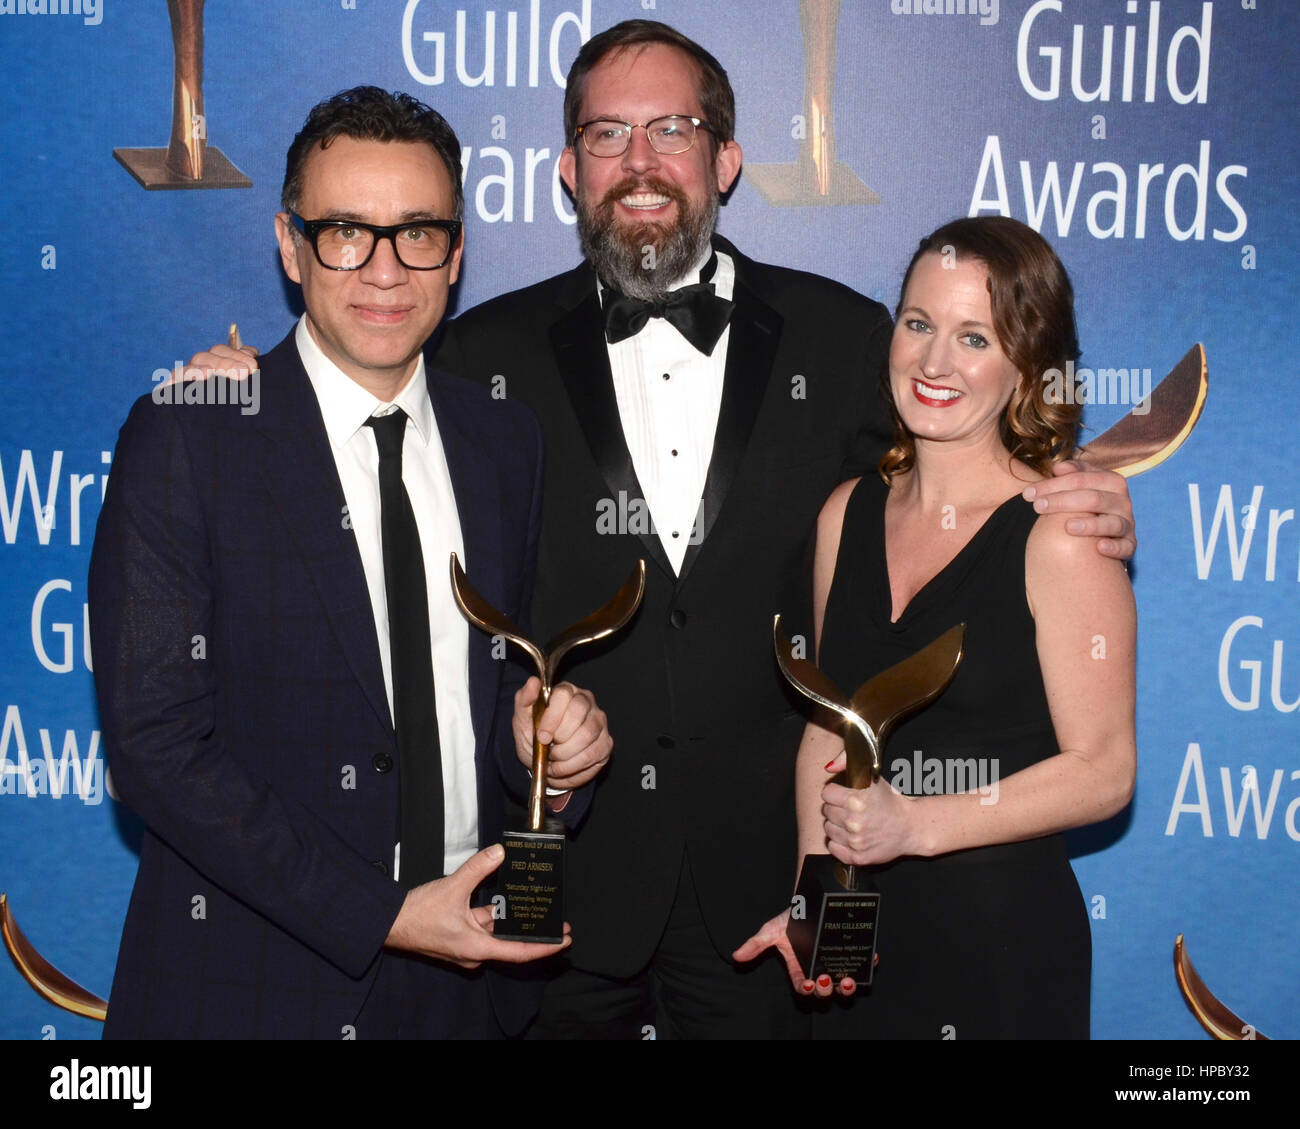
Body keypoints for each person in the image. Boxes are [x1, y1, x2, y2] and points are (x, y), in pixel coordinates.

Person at [185, 21, 1136, 1040]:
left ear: (727, 160)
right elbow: (355, 377)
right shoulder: (478, 353)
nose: (639, 161)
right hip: (558, 895)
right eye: (607, 134)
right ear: (568, 169)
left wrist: (1076, 482)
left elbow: (962, 431)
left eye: (672, 130)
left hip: (769, 899)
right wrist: (249, 390)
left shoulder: (847, 337)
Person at [88, 86, 613, 1039]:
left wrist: (550, 748)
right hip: (254, 987)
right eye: (344, 233)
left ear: (457, 251)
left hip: (471, 993)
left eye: (417, 233)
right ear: (289, 247)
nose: (384, 269)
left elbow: (493, 695)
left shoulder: (504, 441)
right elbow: (155, 746)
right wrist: (386, 914)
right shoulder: (188, 437)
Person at [736, 216, 1137, 1039]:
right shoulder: (846, 513)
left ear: (1028, 365)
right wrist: (816, 901)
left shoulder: (1061, 532)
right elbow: (828, 732)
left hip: (1000, 953)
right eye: (918, 323)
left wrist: (916, 823)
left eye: (974, 337)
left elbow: (1104, 771)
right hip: (861, 951)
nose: (934, 362)